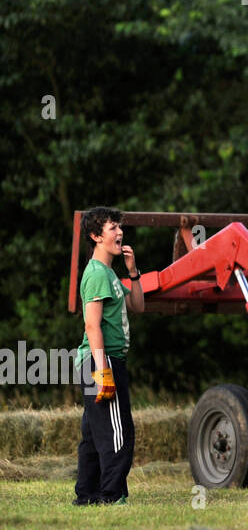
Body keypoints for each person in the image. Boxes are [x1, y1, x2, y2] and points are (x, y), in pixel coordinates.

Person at [73, 207, 145, 505]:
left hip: (98, 361)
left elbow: (138, 306)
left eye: (120, 227)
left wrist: (133, 272)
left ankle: (87, 496)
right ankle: (112, 495)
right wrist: (102, 371)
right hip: (101, 360)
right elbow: (92, 325)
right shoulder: (96, 274)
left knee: (93, 434)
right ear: (95, 236)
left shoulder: (109, 274)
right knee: (118, 432)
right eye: (113, 228)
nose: (120, 233)